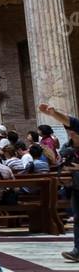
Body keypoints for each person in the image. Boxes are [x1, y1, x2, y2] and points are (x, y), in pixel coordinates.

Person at [37, 103, 79, 262]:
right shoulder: (68, 147)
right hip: (76, 186)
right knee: (78, 217)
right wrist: (53, 113)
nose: (70, 135)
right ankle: (77, 250)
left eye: (73, 133)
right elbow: (70, 121)